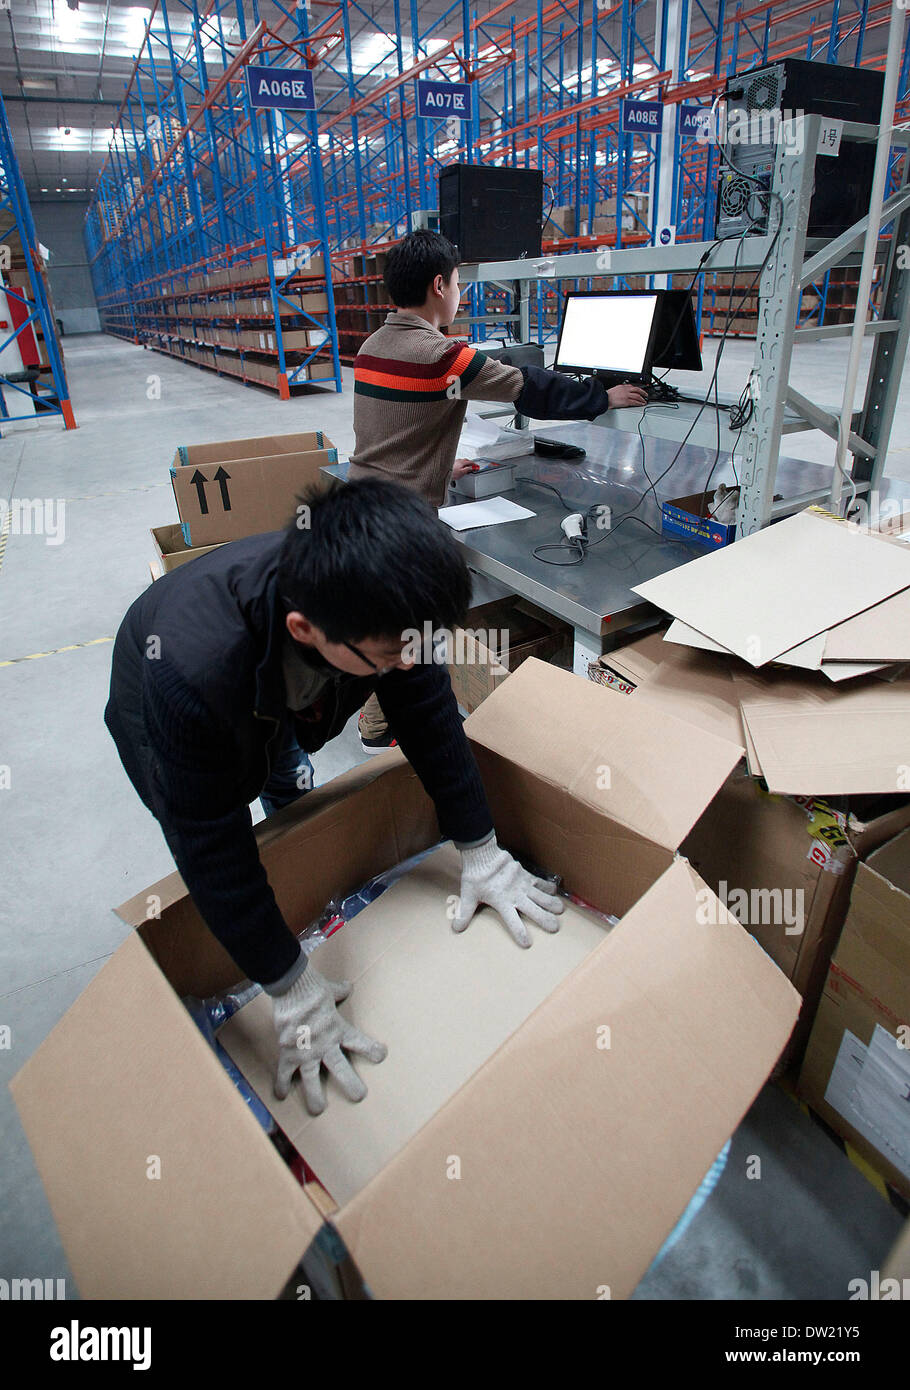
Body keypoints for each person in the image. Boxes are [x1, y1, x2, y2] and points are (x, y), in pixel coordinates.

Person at [105, 479, 564, 1117]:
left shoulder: (383, 610)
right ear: (305, 629)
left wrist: (480, 847)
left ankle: (285, 824)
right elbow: (209, 844)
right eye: (391, 655)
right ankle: (280, 921)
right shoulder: (192, 675)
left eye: (420, 644)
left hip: (280, 683)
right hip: (172, 713)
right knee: (233, 823)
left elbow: (429, 715)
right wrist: (289, 988)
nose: (412, 663)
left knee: (292, 797)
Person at [348, 228, 648, 752]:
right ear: (440, 285)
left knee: (381, 621)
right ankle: (391, 730)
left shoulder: (372, 346)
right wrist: (602, 395)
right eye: (460, 283)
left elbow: (394, 431)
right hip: (402, 528)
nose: (460, 293)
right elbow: (529, 388)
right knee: (407, 638)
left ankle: (377, 718)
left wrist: (440, 468)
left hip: (362, 506)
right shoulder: (442, 356)